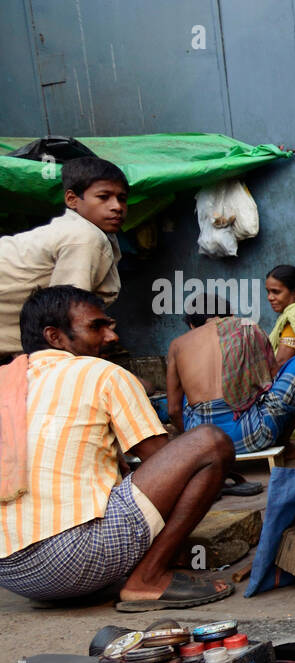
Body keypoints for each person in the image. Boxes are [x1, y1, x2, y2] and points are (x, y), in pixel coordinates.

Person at [0, 286, 234, 612]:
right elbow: (163, 460)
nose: (111, 336)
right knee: (210, 443)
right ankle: (148, 579)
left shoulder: (5, 382)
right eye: (97, 327)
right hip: (70, 561)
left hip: (10, 574)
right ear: (55, 336)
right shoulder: (102, 372)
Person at [0, 157, 128, 362]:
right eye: (104, 197)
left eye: (122, 198)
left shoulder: (81, 232)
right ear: (71, 199)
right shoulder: (84, 237)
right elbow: (69, 318)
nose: (117, 206)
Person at [167, 307, 295, 454]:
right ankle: (283, 443)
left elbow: (173, 410)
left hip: (203, 443)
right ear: (230, 315)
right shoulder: (247, 327)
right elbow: (272, 379)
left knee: (186, 389)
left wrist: (191, 442)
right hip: (253, 434)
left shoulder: (177, 344)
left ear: (192, 325)